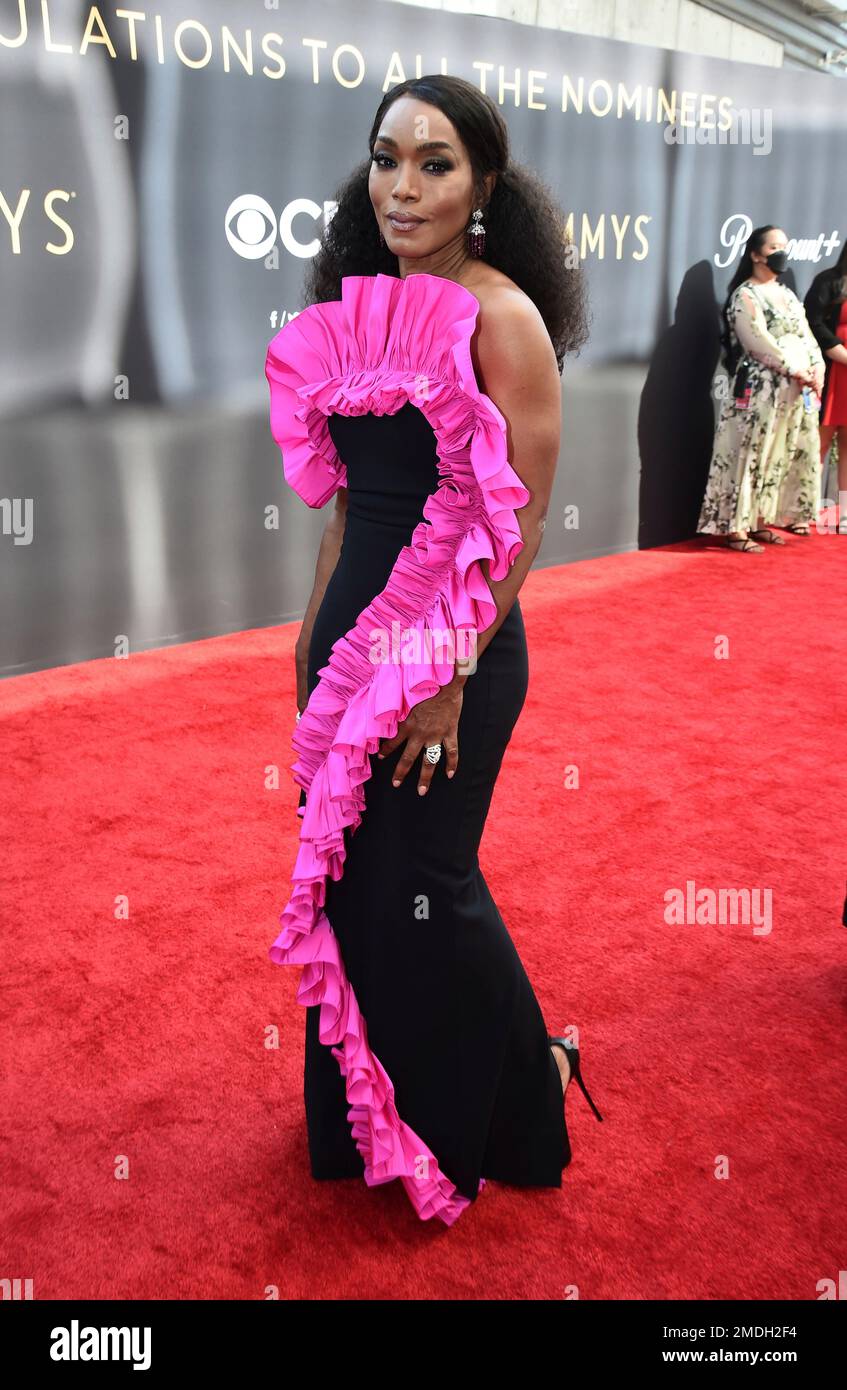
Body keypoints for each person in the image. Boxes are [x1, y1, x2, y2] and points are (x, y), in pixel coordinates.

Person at [264, 75, 600, 1227]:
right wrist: (312, 646)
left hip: (451, 656)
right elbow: (351, 508)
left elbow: (526, 519)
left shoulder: (501, 317)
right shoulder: (360, 311)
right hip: (352, 645)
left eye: (436, 162)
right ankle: (378, 1116)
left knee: (431, 887)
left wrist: (448, 676)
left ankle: (515, 1107)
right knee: (361, 889)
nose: (403, 186)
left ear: (483, 185)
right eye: (387, 158)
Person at [697, 225, 825, 552]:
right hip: (759, 390)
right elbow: (757, 341)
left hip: (794, 392)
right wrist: (797, 369)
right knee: (749, 453)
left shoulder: (788, 295)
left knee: (776, 456)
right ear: (755, 254)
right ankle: (736, 528)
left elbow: (808, 336)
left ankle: (760, 522)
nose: (781, 253)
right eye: (773, 247)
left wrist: (816, 368)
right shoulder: (745, 296)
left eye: (784, 246)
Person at [804, 238, 847, 534]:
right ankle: (806, 509)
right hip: (833, 371)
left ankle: (844, 513)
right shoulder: (829, 281)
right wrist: (840, 353)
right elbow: (813, 322)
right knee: (818, 443)